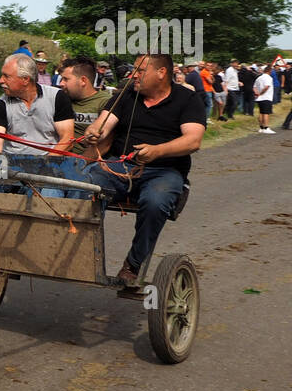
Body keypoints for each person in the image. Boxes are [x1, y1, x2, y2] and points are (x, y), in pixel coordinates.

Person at [79, 53, 206, 287]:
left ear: (161, 73)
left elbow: (193, 141)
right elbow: (102, 124)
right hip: (120, 167)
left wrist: (157, 151)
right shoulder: (126, 95)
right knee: (83, 185)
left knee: (156, 202)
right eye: (134, 70)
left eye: (139, 71)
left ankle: (133, 264)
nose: (133, 75)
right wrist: (93, 131)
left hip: (165, 171)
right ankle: (80, 254)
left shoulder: (188, 99)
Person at [0, 53, 77, 198]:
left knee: (50, 191)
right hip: (11, 167)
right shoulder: (1, 104)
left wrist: (44, 166)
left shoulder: (57, 98)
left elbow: (67, 138)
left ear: (25, 79)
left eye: (6, 76)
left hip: (50, 166)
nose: (0, 81)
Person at [59, 56, 111, 147]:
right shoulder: (61, 99)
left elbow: (105, 144)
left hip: (87, 158)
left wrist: (81, 161)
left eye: (66, 79)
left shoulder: (105, 102)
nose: (61, 84)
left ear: (83, 81)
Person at [253, 65, 275, 133]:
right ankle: (266, 127)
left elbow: (254, 87)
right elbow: (266, 87)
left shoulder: (259, 78)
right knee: (266, 113)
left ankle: (261, 127)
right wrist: (261, 93)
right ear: (269, 71)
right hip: (266, 97)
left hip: (259, 98)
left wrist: (256, 93)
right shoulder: (269, 78)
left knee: (261, 112)